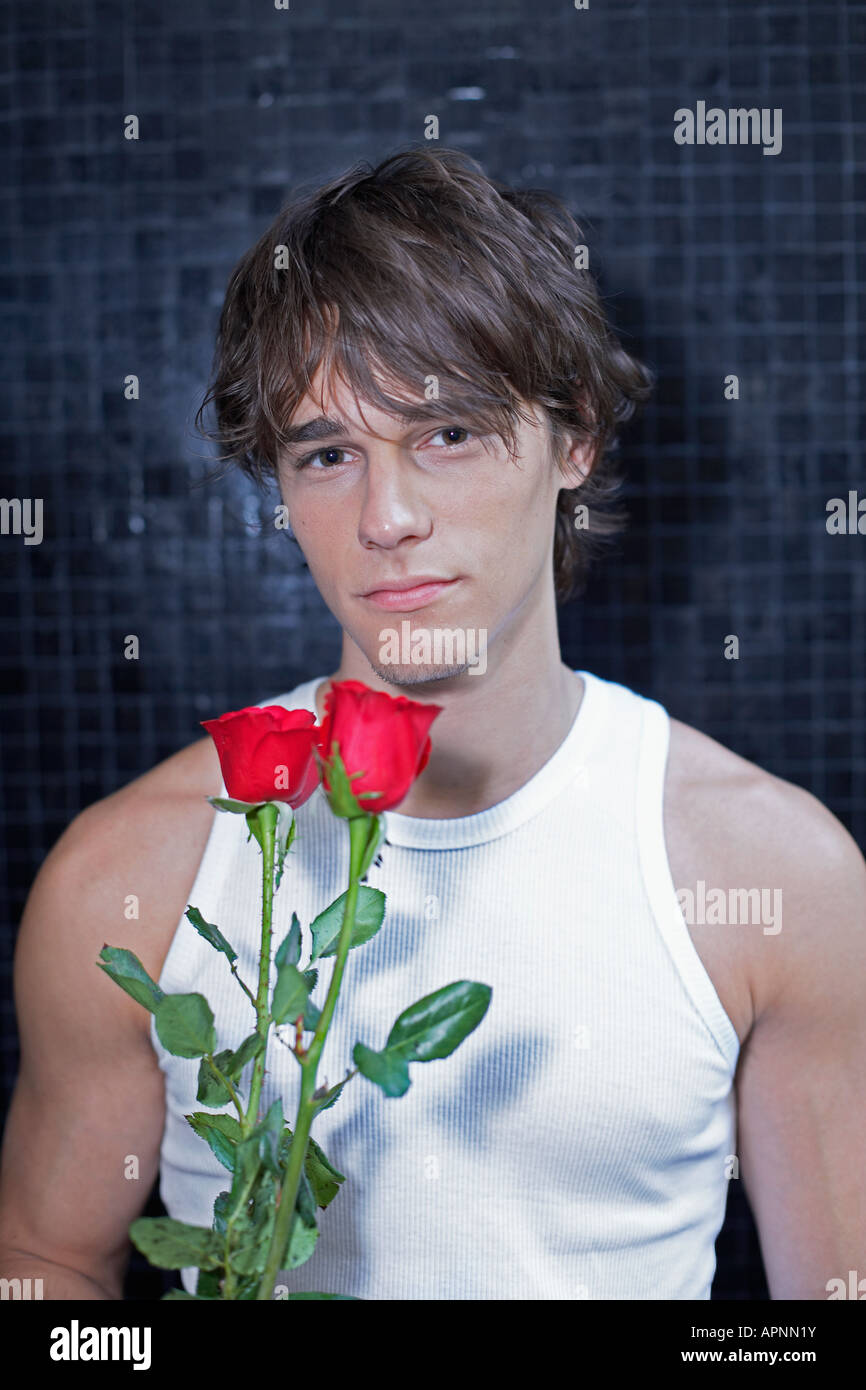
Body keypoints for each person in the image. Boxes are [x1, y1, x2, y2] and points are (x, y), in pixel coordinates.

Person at [1, 147, 863, 1301]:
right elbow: (46, 1270)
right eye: (327, 453)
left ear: (576, 440)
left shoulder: (774, 873)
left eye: (447, 434)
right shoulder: (131, 871)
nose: (387, 515)